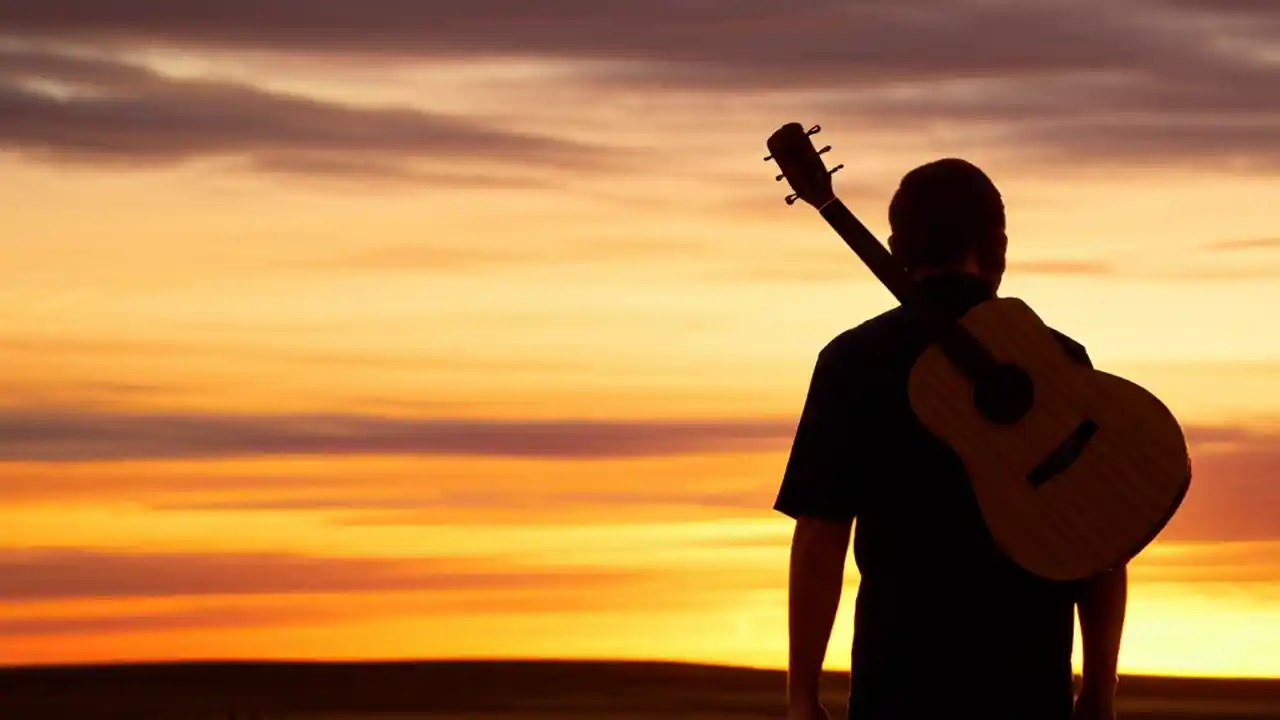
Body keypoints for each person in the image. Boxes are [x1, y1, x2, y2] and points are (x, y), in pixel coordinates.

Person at [773, 159, 1127, 720]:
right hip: (1028, 690)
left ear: (896, 246)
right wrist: (1100, 694)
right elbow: (1102, 549)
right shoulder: (1059, 360)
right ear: (998, 246)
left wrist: (802, 697)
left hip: (898, 686)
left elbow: (820, 537)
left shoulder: (852, 362)